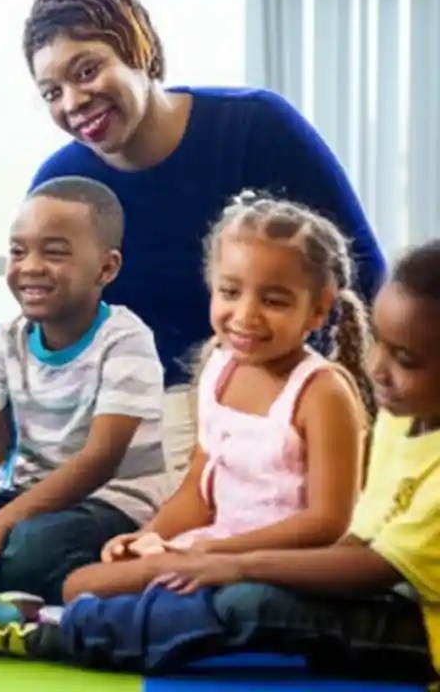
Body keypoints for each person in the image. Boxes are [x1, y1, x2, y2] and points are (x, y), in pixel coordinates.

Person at [0, 239, 440, 687]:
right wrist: (165, 543)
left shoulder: (330, 394)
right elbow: (357, 534)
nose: (377, 369)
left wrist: (226, 562)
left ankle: (58, 631)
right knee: (123, 581)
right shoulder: (407, 411)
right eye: (382, 344)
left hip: (422, 632)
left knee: (248, 604)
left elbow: (365, 564)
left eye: (406, 360)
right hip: (373, 582)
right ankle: (94, 611)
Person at [24, 0, 386, 476]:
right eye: (51, 92)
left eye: (87, 71)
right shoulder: (61, 185)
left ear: (140, 49)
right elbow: (51, 328)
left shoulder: (256, 128)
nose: (72, 101)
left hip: (280, 381)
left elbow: (361, 270)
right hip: (144, 413)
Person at [53, 192, 372, 601]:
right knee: (81, 585)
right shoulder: (221, 367)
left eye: (273, 300)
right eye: (230, 292)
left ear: (318, 310)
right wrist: (148, 539)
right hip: (215, 547)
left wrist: (218, 554)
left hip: (288, 566)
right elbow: (198, 493)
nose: (246, 315)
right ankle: (93, 625)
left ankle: (74, 632)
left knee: (229, 602)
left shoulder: (323, 393)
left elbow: (329, 521)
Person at [0, 176, 167, 605]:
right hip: (27, 501)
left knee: (29, 551)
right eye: (18, 252)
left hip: (111, 505)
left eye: (54, 253)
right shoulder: (7, 341)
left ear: (107, 268)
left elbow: (98, 461)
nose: (31, 267)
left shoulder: (125, 340)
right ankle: (10, 575)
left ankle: (112, 576)